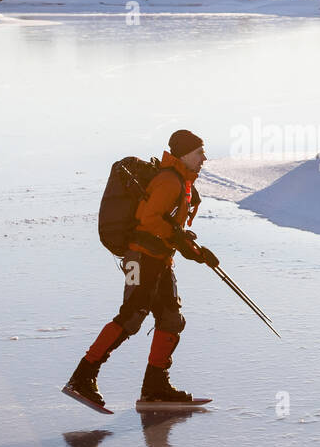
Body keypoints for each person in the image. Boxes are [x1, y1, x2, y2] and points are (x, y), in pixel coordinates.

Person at [65, 129, 219, 409]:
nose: (204, 158)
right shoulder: (168, 181)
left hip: (159, 260)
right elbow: (148, 220)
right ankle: (83, 377)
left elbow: (169, 228)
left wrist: (190, 248)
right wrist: (179, 241)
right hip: (140, 258)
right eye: (199, 152)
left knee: (171, 318)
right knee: (132, 315)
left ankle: (155, 386)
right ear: (184, 154)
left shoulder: (181, 182)